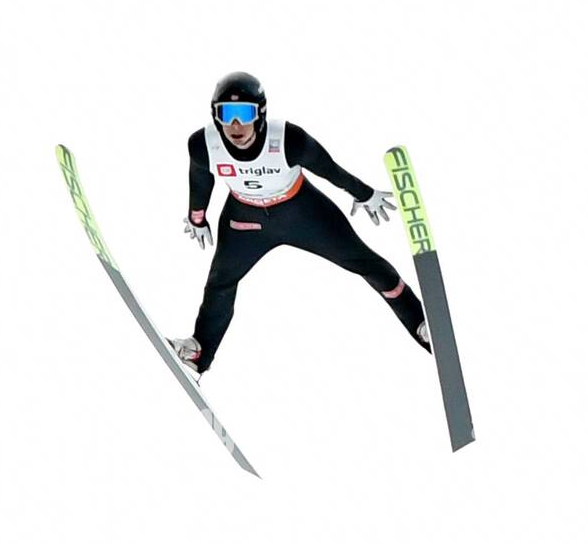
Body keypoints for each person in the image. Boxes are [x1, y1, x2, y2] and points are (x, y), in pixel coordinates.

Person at [169, 71, 430, 376]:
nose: (236, 125)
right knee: (219, 283)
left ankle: (423, 326)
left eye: (244, 113)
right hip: (245, 220)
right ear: (216, 116)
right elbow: (200, 181)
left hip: (302, 212)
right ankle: (198, 355)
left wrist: (365, 193)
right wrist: (197, 217)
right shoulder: (203, 144)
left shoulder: (289, 139)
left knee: (366, 263)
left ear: (260, 114)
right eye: (227, 114)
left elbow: (330, 170)